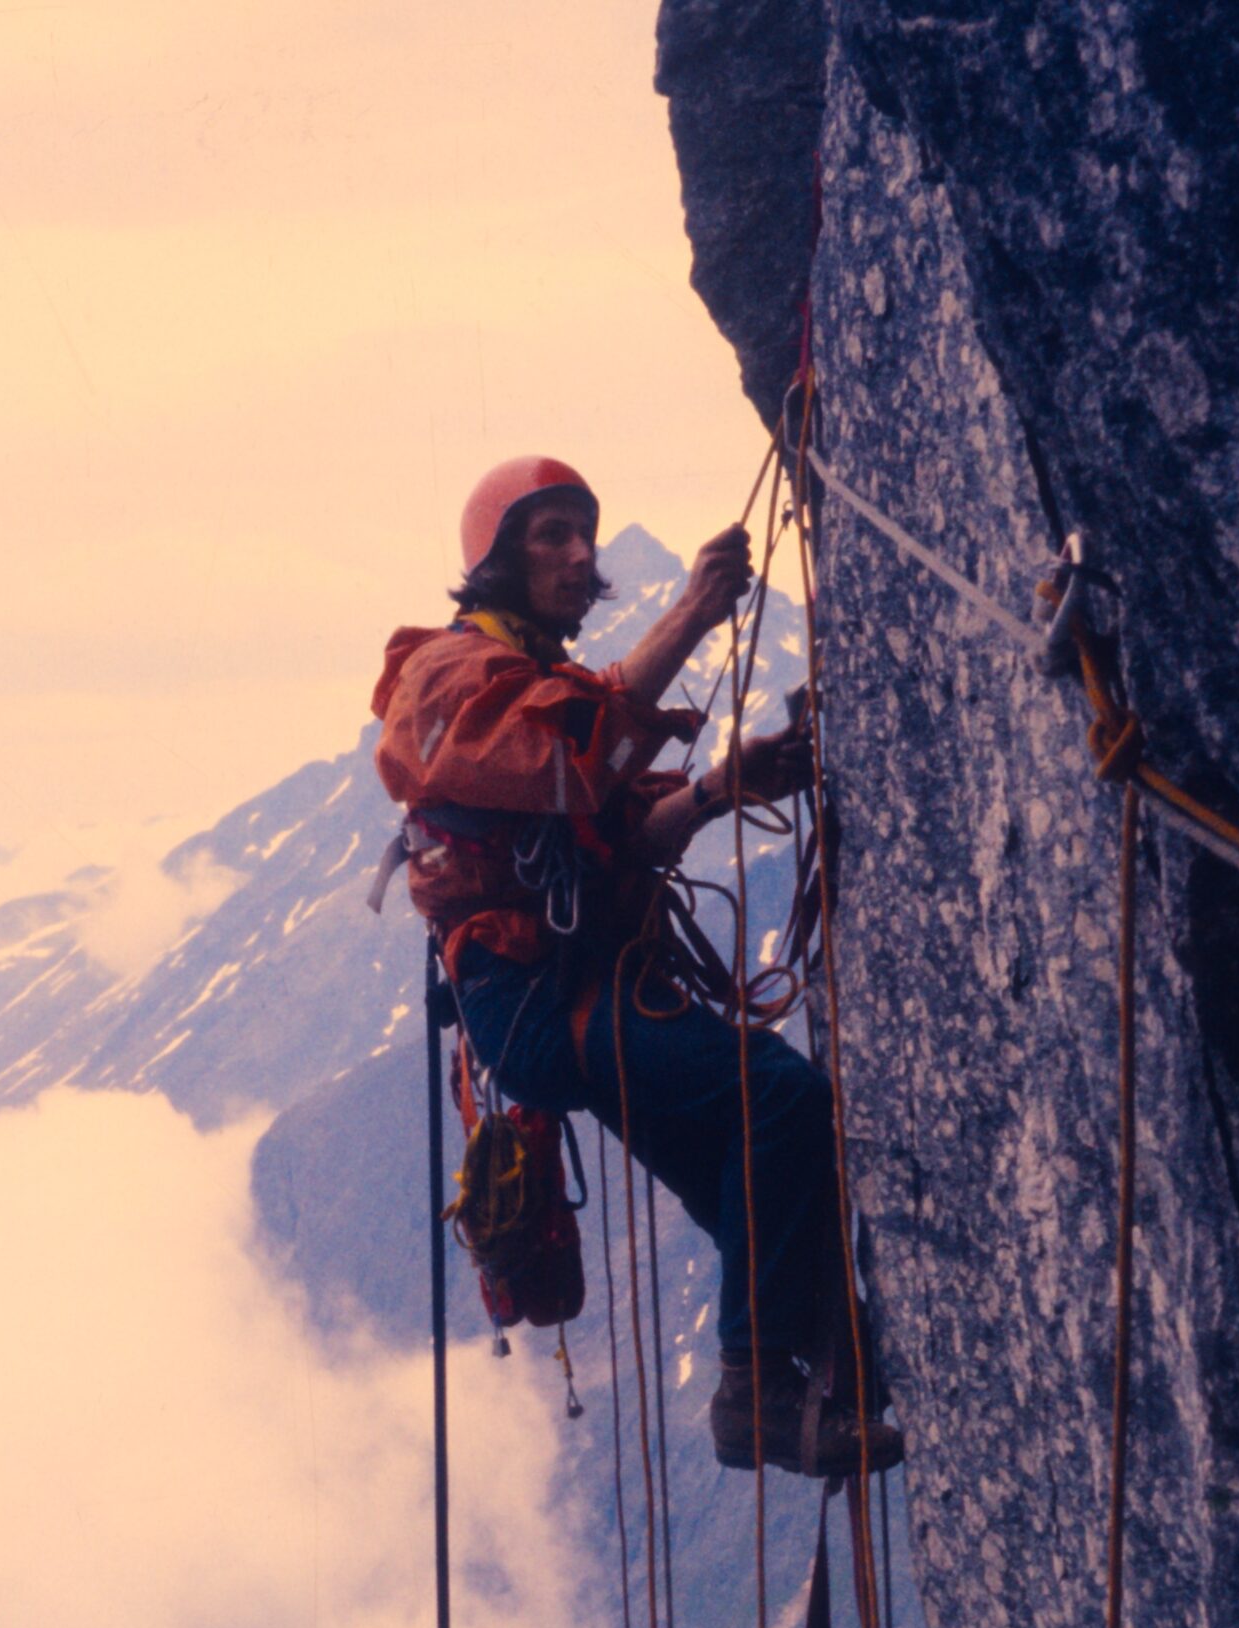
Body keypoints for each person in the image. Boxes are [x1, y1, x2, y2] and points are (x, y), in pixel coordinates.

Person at [371, 454, 902, 1478]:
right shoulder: (447, 680)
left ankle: (831, 1362)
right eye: (551, 536)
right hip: (532, 1003)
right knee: (778, 1104)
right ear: (492, 560)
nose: (579, 556)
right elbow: (565, 751)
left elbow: (617, 835)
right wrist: (697, 612)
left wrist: (714, 790)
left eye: (585, 534)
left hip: (571, 987)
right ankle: (756, 1393)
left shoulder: (542, 688)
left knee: (737, 1175)